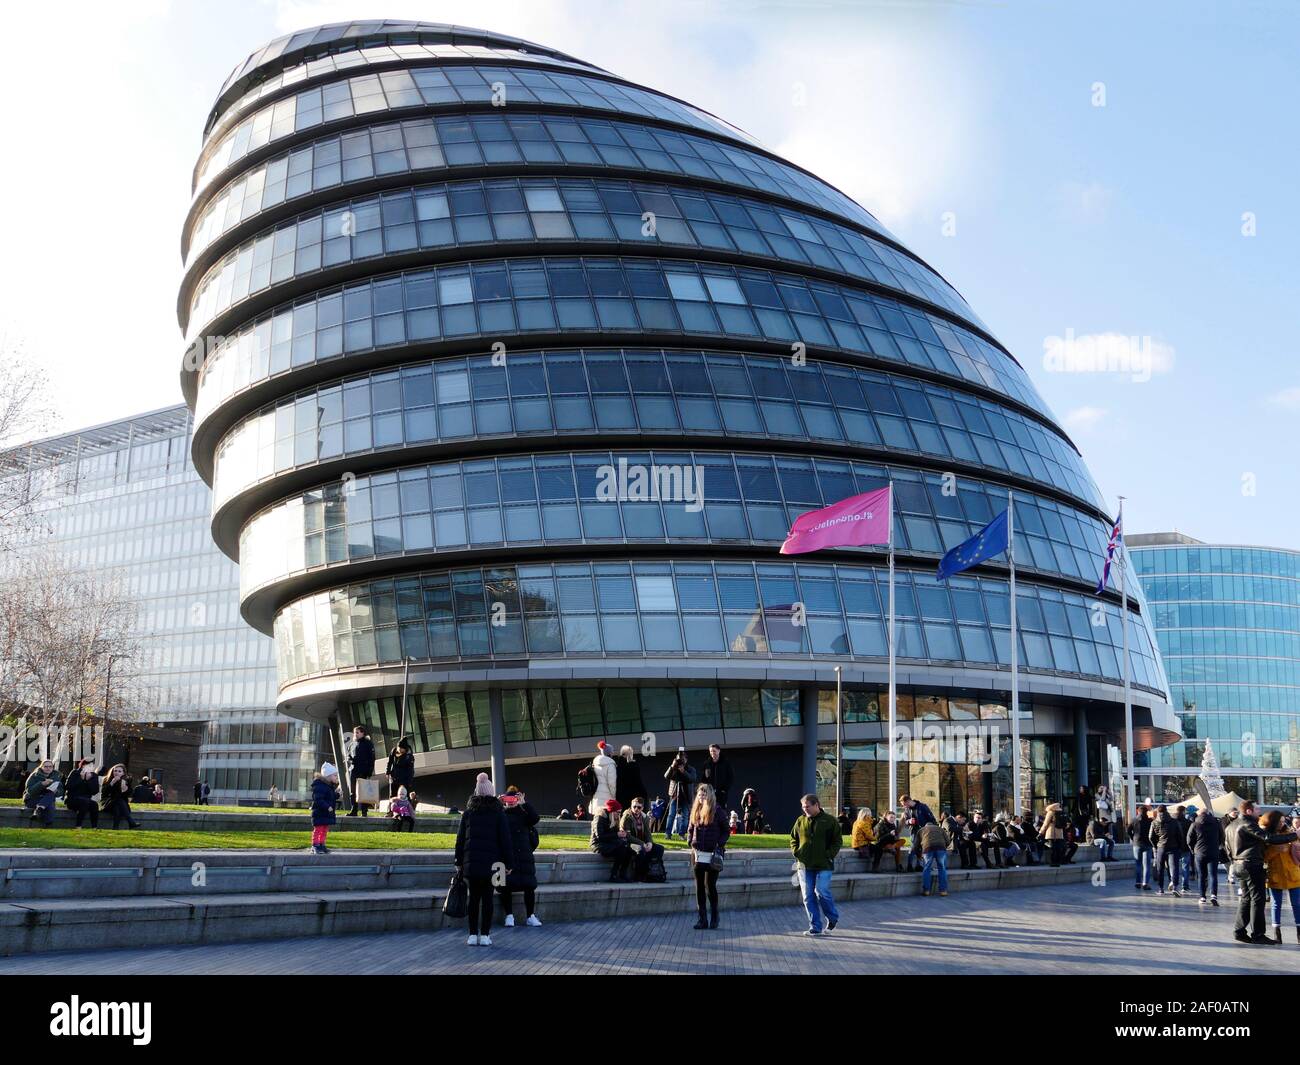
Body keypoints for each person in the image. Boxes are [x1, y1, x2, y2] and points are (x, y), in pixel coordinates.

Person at [455, 773, 513, 947]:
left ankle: (472, 935)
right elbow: (505, 840)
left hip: (471, 864)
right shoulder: (498, 813)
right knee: (488, 898)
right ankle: (486, 935)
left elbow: (460, 839)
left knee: (473, 899)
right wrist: (508, 864)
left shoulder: (468, 813)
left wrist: (458, 861)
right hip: (493, 865)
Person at [1231, 804, 1298, 945]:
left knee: (1246, 899)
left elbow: (1227, 846)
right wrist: (1294, 835)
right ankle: (1258, 934)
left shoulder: (1231, 825)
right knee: (1258, 899)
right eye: (1256, 809)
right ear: (1248, 811)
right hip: (1251, 864)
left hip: (1238, 863)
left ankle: (1239, 931)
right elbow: (1268, 838)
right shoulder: (1248, 824)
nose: (1259, 812)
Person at [791, 794, 841, 935]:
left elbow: (837, 841)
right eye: (803, 807)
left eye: (807, 806)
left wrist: (829, 854)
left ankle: (832, 918)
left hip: (824, 864)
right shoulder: (800, 821)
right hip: (804, 865)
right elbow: (793, 838)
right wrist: (797, 852)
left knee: (821, 891)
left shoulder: (830, 821)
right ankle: (815, 927)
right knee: (807, 896)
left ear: (816, 805)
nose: (804, 809)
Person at [686, 783, 729, 930]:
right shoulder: (695, 810)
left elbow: (726, 831)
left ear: (709, 795)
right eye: (699, 794)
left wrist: (719, 844)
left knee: (710, 886)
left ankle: (715, 916)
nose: (701, 797)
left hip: (712, 854)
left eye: (704, 794)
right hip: (697, 853)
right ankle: (702, 919)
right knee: (699, 887)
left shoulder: (717, 811)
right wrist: (690, 840)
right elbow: (691, 828)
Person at [499, 786, 542, 928]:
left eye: (513, 799)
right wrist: (496, 804)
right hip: (506, 855)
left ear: (517, 799)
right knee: (504, 885)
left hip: (524, 855)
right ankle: (509, 916)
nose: (510, 802)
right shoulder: (501, 814)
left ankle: (530, 916)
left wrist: (525, 803)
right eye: (507, 799)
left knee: (529, 885)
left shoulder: (523, 813)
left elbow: (535, 818)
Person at [1262, 812, 1300, 944]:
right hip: (1275, 875)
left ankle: (1299, 931)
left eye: (1284, 821)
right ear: (1273, 822)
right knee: (1275, 905)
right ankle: (1277, 932)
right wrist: (1275, 850)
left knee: (1297, 904)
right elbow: (1264, 857)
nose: (1282, 823)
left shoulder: (1289, 834)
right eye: (1280, 821)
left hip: (1292, 874)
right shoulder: (1267, 836)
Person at [1186, 805, 1224, 906]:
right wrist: (1218, 846)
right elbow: (1222, 836)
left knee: (1202, 875)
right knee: (1213, 875)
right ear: (1208, 813)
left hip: (1199, 853)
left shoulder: (1195, 824)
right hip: (1213, 852)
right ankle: (1213, 895)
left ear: (1199, 814)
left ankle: (1202, 897)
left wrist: (1193, 849)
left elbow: (1189, 839)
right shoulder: (1216, 823)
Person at [621, 797, 666, 881]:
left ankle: (652, 871)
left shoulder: (644, 817)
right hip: (630, 842)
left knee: (659, 849)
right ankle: (639, 875)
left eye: (639, 807)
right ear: (631, 806)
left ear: (642, 808)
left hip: (642, 842)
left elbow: (648, 832)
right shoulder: (627, 817)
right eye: (634, 807)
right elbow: (628, 836)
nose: (636, 809)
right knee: (641, 849)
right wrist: (642, 843)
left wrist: (650, 842)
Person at [590, 798, 634, 882]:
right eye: (618, 812)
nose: (619, 814)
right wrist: (617, 835)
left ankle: (622, 874)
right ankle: (613, 876)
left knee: (629, 850)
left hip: (609, 843)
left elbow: (614, 834)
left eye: (620, 812)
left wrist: (621, 834)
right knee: (622, 849)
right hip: (598, 844)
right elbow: (600, 836)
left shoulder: (613, 819)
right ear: (612, 811)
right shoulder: (600, 818)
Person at [1150, 804, 1187, 896]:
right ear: (1166, 811)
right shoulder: (1174, 821)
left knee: (1160, 868)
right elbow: (1180, 835)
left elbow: (1151, 837)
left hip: (1161, 848)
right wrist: (1179, 846)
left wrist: (1156, 845)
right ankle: (1175, 887)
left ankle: (1161, 888)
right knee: (1174, 868)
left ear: (1158, 812)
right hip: (1173, 847)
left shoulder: (1154, 822)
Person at [663, 748, 694, 840]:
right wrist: (672, 767)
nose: (681, 760)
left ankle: (682, 834)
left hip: (686, 795)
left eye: (683, 759)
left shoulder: (690, 769)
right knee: (671, 814)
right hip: (674, 794)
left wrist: (684, 771)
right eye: (679, 758)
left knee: (685, 816)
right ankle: (668, 834)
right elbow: (666, 776)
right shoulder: (673, 768)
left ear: (686, 760)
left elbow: (692, 779)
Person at [310, 762, 341, 854]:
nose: (336, 777)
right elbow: (318, 799)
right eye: (335, 775)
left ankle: (321, 844)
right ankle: (315, 845)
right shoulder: (320, 785)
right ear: (328, 776)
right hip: (320, 813)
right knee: (318, 829)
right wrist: (327, 807)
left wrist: (337, 794)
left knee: (324, 829)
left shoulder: (328, 786)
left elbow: (330, 796)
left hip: (326, 813)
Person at [900, 794, 935, 872]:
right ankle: (909, 866)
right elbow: (906, 822)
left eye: (904, 804)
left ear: (908, 801)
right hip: (914, 831)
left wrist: (932, 829)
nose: (904, 806)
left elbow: (931, 818)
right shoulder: (907, 809)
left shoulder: (922, 807)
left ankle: (919, 866)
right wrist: (909, 821)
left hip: (924, 831)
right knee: (913, 848)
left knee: (922, 848)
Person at [346, 725, 376, 816]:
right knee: (352, 791)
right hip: (354, 770)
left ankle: (364, 811)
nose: (355, 734)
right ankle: (354, 810)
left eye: (357, 732)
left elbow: (372, 758)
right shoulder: (352, 744)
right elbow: (348, 755)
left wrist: (370, 771)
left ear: (363, 733)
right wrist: (350, 760)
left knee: (364, 790)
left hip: (364, 770)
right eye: (355, 732)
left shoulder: (368, 743)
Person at [918, 817, 952, 897]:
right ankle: (943, 891)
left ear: (925, 825)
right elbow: (948, 841)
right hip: (941, 848)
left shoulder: (921, 830)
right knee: (942, 868)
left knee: (927, 868)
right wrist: (943, 847)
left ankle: (926, 891)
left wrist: (918, 854)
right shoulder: (940, 829)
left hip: (927, 848)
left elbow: (916, 845)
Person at [99, 765, 140, 829]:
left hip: (120, 804)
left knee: (117, 806)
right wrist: (112, 783)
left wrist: (124, 790)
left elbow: (129, 795)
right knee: (118, 801)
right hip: (107, 803)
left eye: (119, 771)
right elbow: (104, 793)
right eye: (115, 771)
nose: (116, 772)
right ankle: (131, 822)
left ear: (123, 773)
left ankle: (115, 827)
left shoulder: (126, 781)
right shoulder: (107, 779)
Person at [63, 759, 100, 829]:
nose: (92, 768)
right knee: (84, 802)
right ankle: (78, 825)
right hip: (72, 799)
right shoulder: (75, 772)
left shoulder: (94, 776)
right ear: (83, 766)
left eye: (93, 766)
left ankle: (94, 827)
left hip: (86, 799)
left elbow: (95, 791)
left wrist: (87, 781)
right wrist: (81, 779)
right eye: (90, 766)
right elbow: (68, 786)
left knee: (94, 804)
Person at [24, 760, 61, 827]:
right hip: (32, 799)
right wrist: (42, 784)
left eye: (50, 767)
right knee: (50, 803)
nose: (48, 768)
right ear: (41, 767)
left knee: (51, 794)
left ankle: (38, 810)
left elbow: (61, 792)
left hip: (47, 798)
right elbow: (30, 791)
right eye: (46, 766)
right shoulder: (34, 775)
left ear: (53, 768)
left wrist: (56, 791)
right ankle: (48, 824)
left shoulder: (56, 776)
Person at [1128, 804, 1154, 889]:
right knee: (1146, 865)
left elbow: (1128, 830)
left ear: (1138, 811)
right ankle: (1145, 883)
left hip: (1137, 844)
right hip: (1148, 844)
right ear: (1146, 812)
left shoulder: (1134, 820)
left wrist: (1133, 838)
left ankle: (1138, 882)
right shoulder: (1150, 821)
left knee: (1138, 864)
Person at [614, 744, 646, 811]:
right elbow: (638, 783)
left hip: (620, 798)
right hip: (633, 799)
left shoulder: (616, 767)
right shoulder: (634, 767)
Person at [701, 744, 734, 808]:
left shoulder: (726, 763)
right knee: (709, 810)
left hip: (721, 793)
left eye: (714, 751)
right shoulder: (706, 764)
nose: (712, 753)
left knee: (721, 811)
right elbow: (703, 779)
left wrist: (724, 790)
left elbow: (730, 777)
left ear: (719, 751)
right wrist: (705, 790)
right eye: (711, 751)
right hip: (709, 793)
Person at [590, 741, 618, 816]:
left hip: (596, 797)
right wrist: (614, 797)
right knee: (607, 822)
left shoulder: (595, 763)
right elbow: (612, 783)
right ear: (610, 753)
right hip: (607, 798)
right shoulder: (610, 765)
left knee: (597, 820)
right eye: (612, 752)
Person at [1039, 802, 1067, 867]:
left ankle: (1053, 862)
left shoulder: (1051, 812)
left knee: (1052, 848)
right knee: (1058, 847)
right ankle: (1058, 861)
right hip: (1060, 833)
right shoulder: (1061, 812)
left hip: (1051, 832)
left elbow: (1045, 824)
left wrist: (1041, 832)